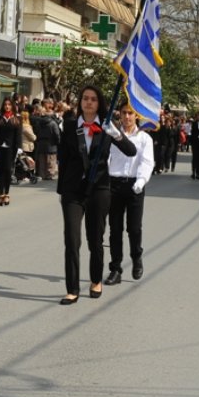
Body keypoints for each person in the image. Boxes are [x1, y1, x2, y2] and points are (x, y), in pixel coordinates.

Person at [57, 86, 135, 305]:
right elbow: (64, 159)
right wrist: (61, 190)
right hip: (73, 190)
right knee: (72, 239)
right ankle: (72, 289)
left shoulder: (108, 126)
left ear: (99, 103)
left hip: (99, 188)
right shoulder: (70, 125)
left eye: (93, 99)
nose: (88, 102)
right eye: (85, 98)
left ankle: (95, 280)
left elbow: (130, 151)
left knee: (95, 239)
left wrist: (115, 133)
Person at [105, 101, 154, 286]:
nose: (127, 116)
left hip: (134, 185)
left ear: (136, 116)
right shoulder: (112, 135)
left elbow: (147, 162)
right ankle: (115, 268)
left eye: (130, 113)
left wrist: (141, 180)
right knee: (115, 228)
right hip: (115, 184)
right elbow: (107, 158)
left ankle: (136, 257)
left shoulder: (144, 138)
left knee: (133, 228)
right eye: (124, 112)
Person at [0, 97, 22, 206]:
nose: (7, 106)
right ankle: (1, 195)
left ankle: (7, 194)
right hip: (0, 146)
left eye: (9, 104)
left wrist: (19, 146)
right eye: (5, 104)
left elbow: (19, 133)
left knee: (8, 170)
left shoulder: (17, 117)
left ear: (12, 105)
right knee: (0, 170)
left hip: (11, 147)